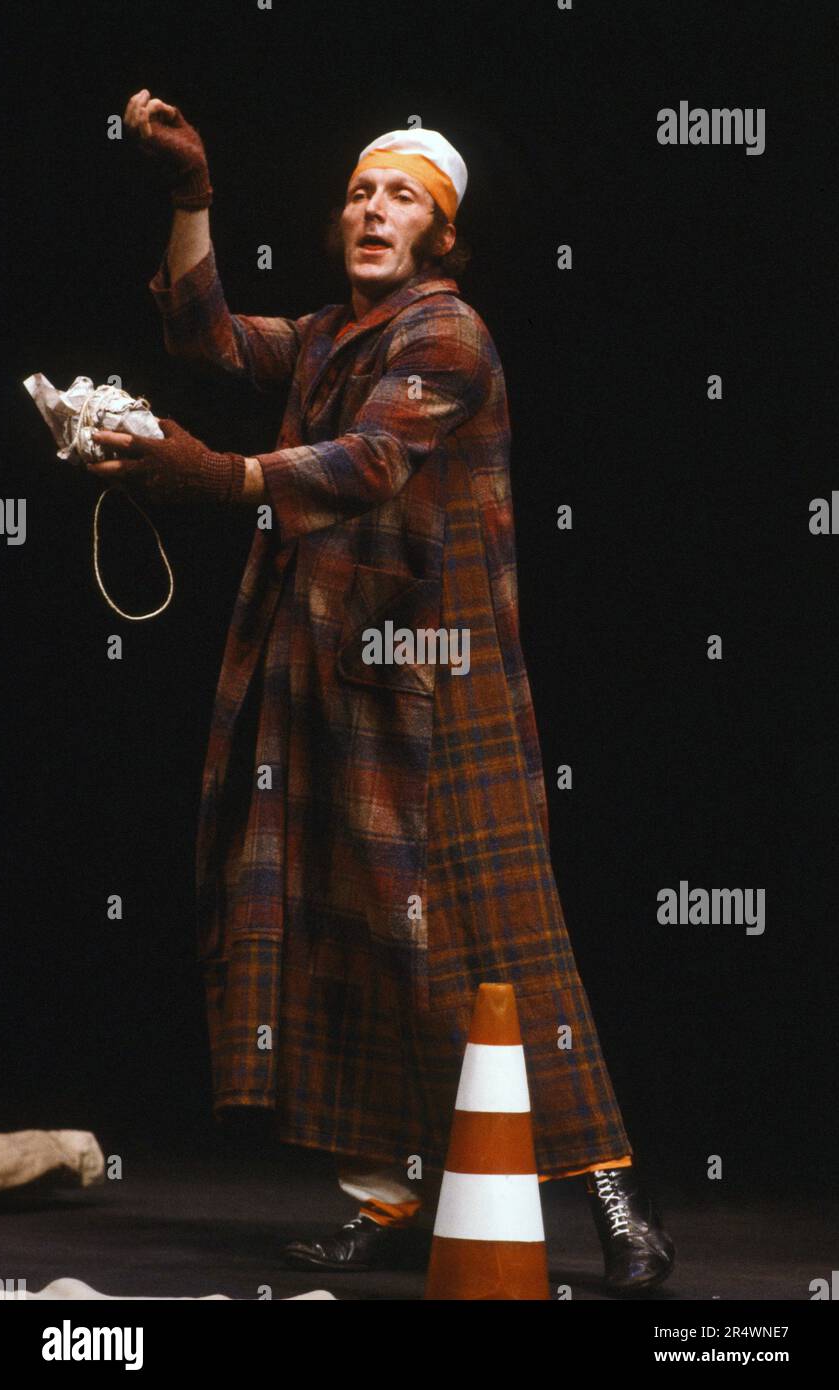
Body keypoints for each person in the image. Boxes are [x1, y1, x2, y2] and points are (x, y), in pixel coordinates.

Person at [90, 90, 675, 1293]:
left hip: (439, 692)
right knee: (350, 938)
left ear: (440, 232)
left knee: (505, 947)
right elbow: (204, 338)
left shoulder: (448, 338)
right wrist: (193, 194)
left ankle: (610, 1194)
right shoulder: (321, 336)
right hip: (331, 681)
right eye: (361, 190)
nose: (373, 208)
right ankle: (399, 1194)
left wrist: (223, 474)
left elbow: (365, 464)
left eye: (401, 195)